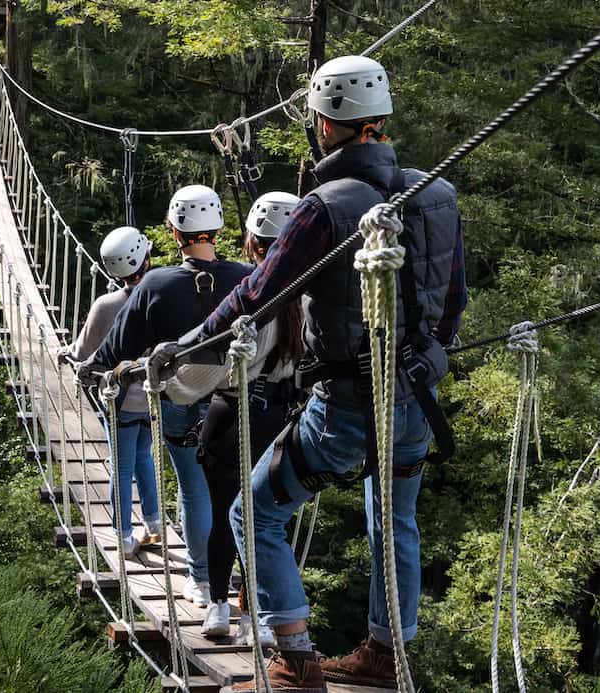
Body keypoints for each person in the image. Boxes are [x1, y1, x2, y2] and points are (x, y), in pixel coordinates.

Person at [155, 55, 468, 692]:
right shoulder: (436, 195)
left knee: (253, 513)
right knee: (395, 519)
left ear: (324, 126)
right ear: (381, 117)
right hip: (417, 400)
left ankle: (295, 659)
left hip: (348, 406)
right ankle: (386, 651)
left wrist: (186, 346)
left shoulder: (324, 208)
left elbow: (257, 296)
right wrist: (433, 354)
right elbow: (454, 300)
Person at [92, 185, 252, 608]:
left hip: (181, 401)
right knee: (236, 492)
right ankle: (245, 589)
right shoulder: (245, 279)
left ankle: (201, 580)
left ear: (173, 230)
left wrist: (92, 369)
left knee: (194, 489)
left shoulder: (157, 283)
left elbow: (115, 349)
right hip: (235, 399)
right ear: (219, 227)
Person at [163, 192, 304, 646]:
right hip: (283, 422)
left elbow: (212, 372)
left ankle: (219, 607)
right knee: (264, 520)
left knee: (226, 512)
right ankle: (259, 616)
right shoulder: (309, 298)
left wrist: (166, 382)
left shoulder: (250, 300)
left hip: (233, 415)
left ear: (252, 244)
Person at [66, 226, 161, 555]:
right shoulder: (162, 296)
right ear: (145, 260)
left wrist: (68, 352)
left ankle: (123, 536)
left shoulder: (105, 305)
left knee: (121, 467)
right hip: (155, 396)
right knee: (143, 455)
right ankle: (154, 524)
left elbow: (83, 353)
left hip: (119, 400)